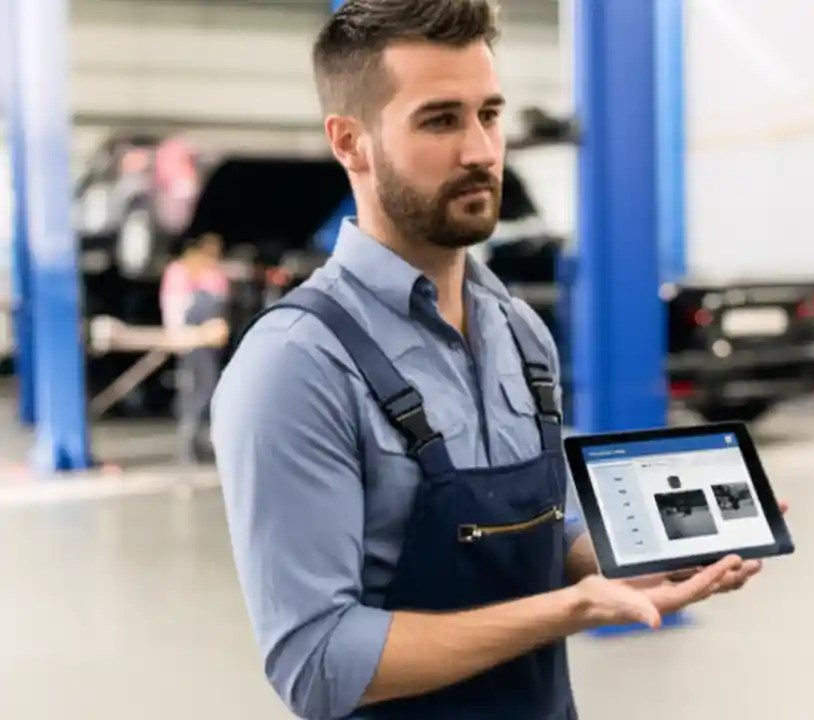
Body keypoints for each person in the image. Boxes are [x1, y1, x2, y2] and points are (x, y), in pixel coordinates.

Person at [210, 2, 765, 719]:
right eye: (441, 120)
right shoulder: (295, 366)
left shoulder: (520, 331)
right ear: (352, 142)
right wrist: (567, 611)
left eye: (490, 115)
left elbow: (539, 528)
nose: (480, 150)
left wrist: (643, 557)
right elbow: (316, 663)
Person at [160, 231, 229, 463]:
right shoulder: (182, 273)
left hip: (208, 342)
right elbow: (175, 309)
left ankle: (199, 442)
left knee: (207, 388)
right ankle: (189, 444)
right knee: (198, 389)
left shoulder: (213, 273)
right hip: (193, 340)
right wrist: (180, 337)